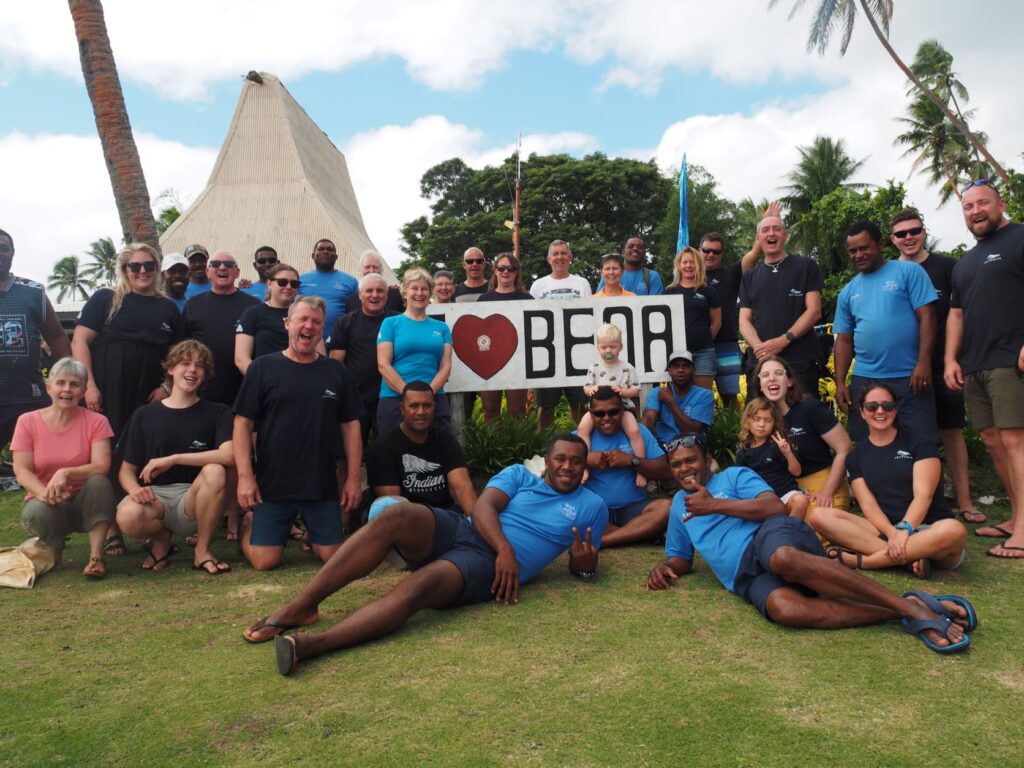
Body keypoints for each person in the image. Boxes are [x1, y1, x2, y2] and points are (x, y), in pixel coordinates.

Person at [241, 434, 608, 676]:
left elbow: (582, 560)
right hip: (467, 531)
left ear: (584, 466)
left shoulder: (592, 506)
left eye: (576, 462)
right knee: (397, 513)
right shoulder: (518, 475)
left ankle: (313, 646)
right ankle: (302, 607)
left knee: (422, 584)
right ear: (547, 460)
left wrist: (585, 568)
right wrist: (506, 549)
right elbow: (482, 510)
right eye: (561, 459)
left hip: (482, 566)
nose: (567, 467)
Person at [646, 432, 975, 655]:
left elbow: (774, 507)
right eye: (676, 465)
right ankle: (905, 608)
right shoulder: (678, 505)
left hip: (771, 535)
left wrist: (714, 505)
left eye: (690, 460)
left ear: (706, 458)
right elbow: (681, 557)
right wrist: (666, 566)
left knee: (783, 559)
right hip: (743, 576)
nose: (684, 469)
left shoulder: (733, 476)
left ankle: (908, 609)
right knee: (784, 609)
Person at [234, 296, 363, 571]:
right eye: (302, 319)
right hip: (273, 485)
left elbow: (351, 426)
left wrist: (353, 479)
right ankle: (250, 524)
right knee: (265, 562)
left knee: (333, 558)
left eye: (316, 322)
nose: (309, 326)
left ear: (322, 329)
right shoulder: (262, 368)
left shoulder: (336, 371)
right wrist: (246, 477)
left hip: (320, 483)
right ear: (287, 323)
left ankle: (314, 533)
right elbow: (242, 425)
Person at [807, 384, 968, 579]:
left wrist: (904, 529)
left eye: (887, 406)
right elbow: (869, 507)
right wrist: (892, 533)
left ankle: (867, 561)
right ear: (862, 412)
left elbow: (923, 496)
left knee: (954, 530)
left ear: (895, 410)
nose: (880, 411)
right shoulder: (856, 456)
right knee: (819, 516)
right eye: (872, 407)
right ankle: (910, 559)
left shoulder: (919, 443)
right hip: (884, 530)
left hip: (928, 529)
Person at [945, 180, 1024, 557]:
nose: (975, 211)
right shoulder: (966, 263)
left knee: (1015, 441)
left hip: (1011, 360)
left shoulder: (1020, 239)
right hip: (974, 364)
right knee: (994, 440)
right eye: (968, 207)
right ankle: (1015, 517)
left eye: (982, 203)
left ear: (1000, 203)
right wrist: (950, 359)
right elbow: (955, 315)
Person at [891, 208, 984, 523]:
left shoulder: (947, 267)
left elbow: (964, 315)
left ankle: (966, 501)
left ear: (924, 231)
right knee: (903, 434)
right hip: (901, 369)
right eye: (901, 234)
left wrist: (955, 359)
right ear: (892, 240)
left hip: (943, 366)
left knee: (950, 432)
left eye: (914, 230)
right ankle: (910, 503)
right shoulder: (888, 273)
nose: (909, 238)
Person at [116, 340, 234, 575]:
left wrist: (174, 458)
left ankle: (202, 551)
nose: (192, 370)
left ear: (205, 374)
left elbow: (229, 455)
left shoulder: (217, 412)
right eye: (185, 363)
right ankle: (161, 540)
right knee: (128, 516)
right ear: (171, 368)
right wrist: (134, 490)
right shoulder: (144, 414)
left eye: (199, 366)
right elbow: (125, 470)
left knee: (215, 470)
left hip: (194, 499)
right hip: (155, 499)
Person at [833, 220, 938, 444]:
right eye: (853, 251)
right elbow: (843, 340)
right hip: (865, 379)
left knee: (920, 443)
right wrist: (840, 382)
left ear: (880, 244)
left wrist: (923, 363)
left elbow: (927, 317)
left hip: (909, 376)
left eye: (864, 248)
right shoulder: (848, 291)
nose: (858, 255)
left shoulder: (909, 271)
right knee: (867, 444)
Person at [11, 357, 115, 578]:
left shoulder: (97, 421)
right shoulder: (26, 421)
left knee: (99, 482)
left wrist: (65, 472)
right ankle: (54, 547)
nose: (67, 389)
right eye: (61, 383)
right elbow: (21, 470)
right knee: (38, 511)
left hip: (84, 500)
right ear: (48, 388)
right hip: (46, 499)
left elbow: (101, 465)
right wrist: (44, 492)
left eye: (75, 384)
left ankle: (96, 557)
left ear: (84, 390)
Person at [0, 227, 72, 452]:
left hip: (28, 395)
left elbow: (57, 336)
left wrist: (70, 374)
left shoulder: (33, 292)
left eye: (3, 249)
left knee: (47, 458)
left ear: (12, 253)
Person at [752, 355, 852, 510]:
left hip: (824, 485)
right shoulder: (759, 423)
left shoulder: (811, 409)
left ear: (790, 381)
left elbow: (845, 449)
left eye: (778, 373)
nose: (772, 378)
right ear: (760, 386)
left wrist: (827, 492)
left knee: (815, 528)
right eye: (765, 375)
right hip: (788, 493)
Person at [739, 215, 824, 398]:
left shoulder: (806, 266)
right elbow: (744, 321)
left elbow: (814, 311)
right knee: (759, 422)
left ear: (785, 235)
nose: (771, 233)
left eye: (777, 229)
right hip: (759, 364)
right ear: (758, 239)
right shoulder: (749, 276)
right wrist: (761, 349)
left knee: (803, 420)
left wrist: (784, 340)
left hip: (799, 361)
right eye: (765, 230)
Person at [367, 381, 477, 515]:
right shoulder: (383, 448)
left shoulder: (446, 441)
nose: (421, 411)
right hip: (408, 522)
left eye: (427, 406)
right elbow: (394, 509)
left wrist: (477, 525)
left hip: (446, 517)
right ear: (402, 409)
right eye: (414, 406)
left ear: (434, 407)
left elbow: (463, 488)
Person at [581, 388, 672, 547]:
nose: (607, 418)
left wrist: (632, 461)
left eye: (613, 412)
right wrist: (585, 460)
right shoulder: (580, 438)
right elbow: (559, 478)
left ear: (623, 410)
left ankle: (605, 540)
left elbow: (666, 471)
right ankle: (640, 532)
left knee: (667, 507)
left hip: (633, 509)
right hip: (595, 510)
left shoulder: (639, 432)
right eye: (599, 413)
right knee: (571, 514)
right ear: (590, 413)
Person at [376, 268, 453, 437]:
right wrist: (409, 396)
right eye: (414, 288)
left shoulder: (442, 328)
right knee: (391, 456)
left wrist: (426, 396)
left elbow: (446, 368)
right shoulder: (390, 323)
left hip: (434, 399)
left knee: (439, 455)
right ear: (405, 293)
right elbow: (383, 364)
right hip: (395, 399)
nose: (420, 293)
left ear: (430, 293)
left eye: (424, 289)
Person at [181, 250, 259, 406]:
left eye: (229, 264)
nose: (222, 268)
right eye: (215, 264)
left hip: (243, 391)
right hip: (202, 392)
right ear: (208, 272)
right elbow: (181, 349)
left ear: (237, 272)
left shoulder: (253, 306)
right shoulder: (192, 305)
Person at [328, 273, 399, 441]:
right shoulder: (345, 322)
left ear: (387, 296)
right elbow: (335, 364)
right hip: (356, 399)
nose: (375, 295)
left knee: (388, 452)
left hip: (390, 397)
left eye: (380, 291)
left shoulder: (397, 321)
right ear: (360, 295)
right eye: (369, 291)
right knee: (347, 456)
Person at [530, 240, 592, 428]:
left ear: (570, 258)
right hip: (548, 355)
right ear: (549, 259)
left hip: (577, 354)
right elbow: (531, 321)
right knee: (546, 406)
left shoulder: (582, 283)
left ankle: (584, 442)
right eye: (555, 254)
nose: (559, 257)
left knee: (580, 405)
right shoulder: (538, 285)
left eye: (563, 253)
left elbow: (590, 316)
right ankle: (542, 447)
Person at [701, 229, 764, 409]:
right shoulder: (688, 276)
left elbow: (753, 255)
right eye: (706, 250)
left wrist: (762, 227)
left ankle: (735, 434)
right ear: (699, 251)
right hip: (696, 346)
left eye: (716, 251)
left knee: (729, 397)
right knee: (698, 397)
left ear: (721, 254)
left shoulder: (730, 273)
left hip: (725, 343)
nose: (710, 254)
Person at [579, 324, 645, 486]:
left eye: (612, 347)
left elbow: (636, 390)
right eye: (604, 347)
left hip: (622, 407)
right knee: (582, 428)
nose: (608, 351)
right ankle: (584, 465)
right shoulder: (594, 368)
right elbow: (586, 388)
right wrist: (591, 390)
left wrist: (623, 391)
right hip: (598, 410)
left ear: (620, 347)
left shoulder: (627, 368)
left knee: (635, 431)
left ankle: (642, 470)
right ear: (598, 348)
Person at [477, 252, 533, 423]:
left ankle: (519, 450)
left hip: (517, 364)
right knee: (490, 411)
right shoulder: (483, 300)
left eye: (511, 268)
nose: (506, 271)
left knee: (518, 413)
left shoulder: (527, 299)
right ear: (495, 271)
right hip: (490, 363)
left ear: (517, 272)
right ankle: (493, 449)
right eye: (501, 268)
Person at [735, 398, 809, 519]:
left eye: (767, 420)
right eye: (756, 419)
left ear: (774, 423)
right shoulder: (743, 452)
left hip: (786, 494)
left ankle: (791, 531)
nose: (761, 424)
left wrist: (788, 453)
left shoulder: (778, 445)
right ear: (748, 421)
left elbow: (797, 472)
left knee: (800, 501)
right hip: (762, 499)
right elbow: (740, 481)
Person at [665, 246, 721, 391]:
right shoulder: (669, 291)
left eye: (692, 262)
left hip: (703, 352)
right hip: (677, 354)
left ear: (698, 264)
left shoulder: (708, 290)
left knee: (701, 397)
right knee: (679, 399)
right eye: (685, 262)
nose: (688, 266)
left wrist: (704, 339)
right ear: (678, 265)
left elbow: (717, 322)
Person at [235, 263, 304, 375]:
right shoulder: (253, 313)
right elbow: (241, 359)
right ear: (269, 284)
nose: (288, 287)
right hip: (264, 383)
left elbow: (320, 354)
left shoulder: (303, 314)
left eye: (294, 283)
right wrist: (261, 382)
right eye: (282, 282)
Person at [642, 350, 714, 445]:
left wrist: (671, 401)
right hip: (663, 445)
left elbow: (692, 432)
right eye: (676, 366)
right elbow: (649, 419)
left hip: (690, 446)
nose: (681, 370)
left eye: (685, 366)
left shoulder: (704, 395)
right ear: (669, 371)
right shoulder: (658, 392)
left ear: (693, 370)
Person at [298, 238, 359, 338]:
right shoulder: (300, 280)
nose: (325, 251)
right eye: (321, 249)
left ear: (336, 257)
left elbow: (356, 314)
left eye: (330, 249)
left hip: (339, 344)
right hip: (306, 339)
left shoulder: (351, 281)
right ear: (313, 256)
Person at [594, 237, 664, 295]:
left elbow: (656, 307)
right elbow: (600, 302)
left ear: (644, 253)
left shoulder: (652, 276)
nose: (635, 249)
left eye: (640, 247)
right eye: (631, 246)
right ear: (623, 252)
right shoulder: (611, 275)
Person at [343, 250, 404, 314]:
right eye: (367, 267)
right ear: (360, 270)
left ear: (382, 270)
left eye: (375, 267)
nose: (371, 270)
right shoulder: (351, 300)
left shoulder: (394, 295)